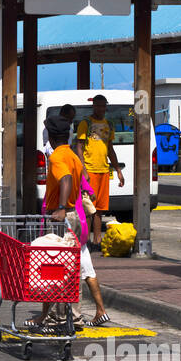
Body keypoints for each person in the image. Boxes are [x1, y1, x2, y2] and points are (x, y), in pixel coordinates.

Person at [35, 112, 111, 329]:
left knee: (55, 268)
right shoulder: (73, 156)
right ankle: (73, 316)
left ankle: (61, 318)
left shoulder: (57, 157)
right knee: (71, 268)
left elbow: (66, 179)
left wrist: (60, 207)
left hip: (64, 217)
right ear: (67, 135)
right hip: (75, 217)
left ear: (50, 136)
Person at [74, 93, 123, 248]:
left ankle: (97, 241)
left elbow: (110, 149)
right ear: (93, 106)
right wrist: (84, 171)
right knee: (89, 209)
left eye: (103, 106)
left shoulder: (109, 124)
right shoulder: (86, 123)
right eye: (98, 105)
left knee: (100, 209)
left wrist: (118, 170)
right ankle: (85, 241)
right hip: (90, 170)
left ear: (106, 107)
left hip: (103, 170)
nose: (101, 108)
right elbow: (79, 148)